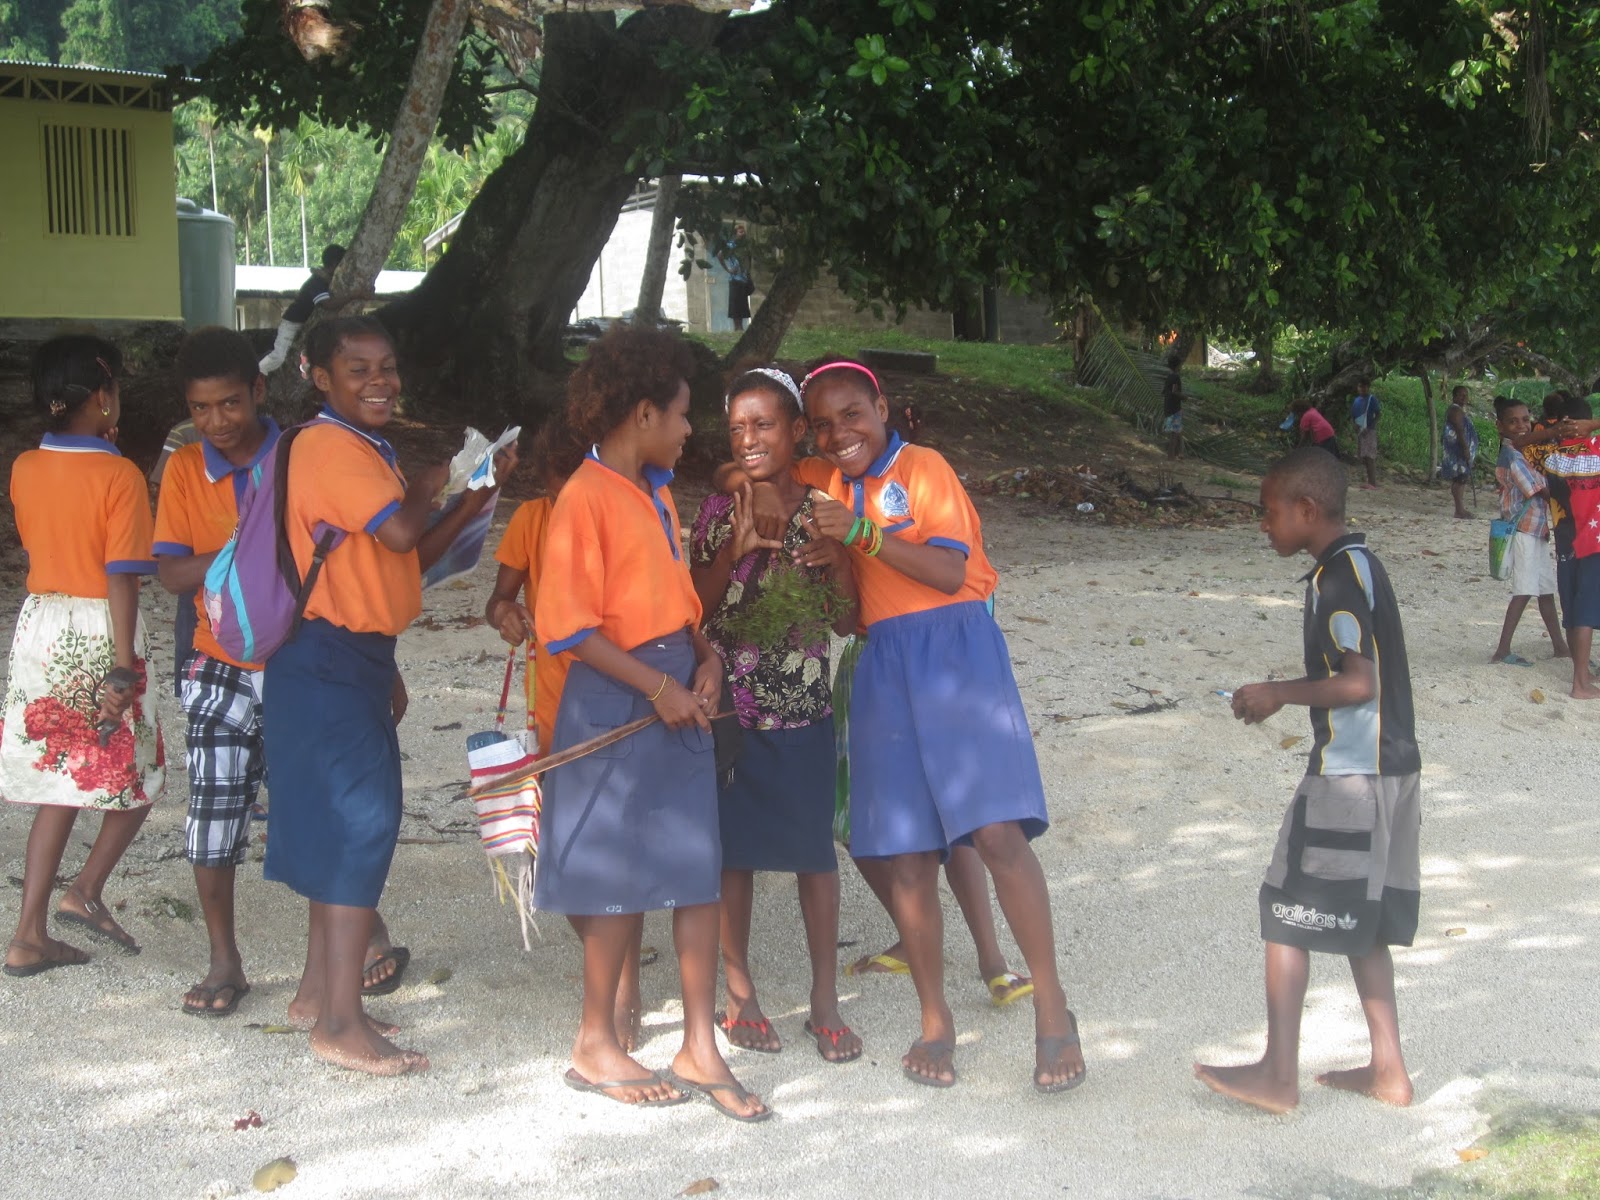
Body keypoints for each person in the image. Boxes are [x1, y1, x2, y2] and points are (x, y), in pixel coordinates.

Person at [792, 357, 1083, 1093]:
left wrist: (858, 531)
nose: (839, 433)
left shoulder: (923, 469)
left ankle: (1054, 1009)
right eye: (823, 424)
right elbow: (852, 613)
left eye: (852, 414)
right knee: (910, 854)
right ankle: (935, 1021)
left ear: (882, 408)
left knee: (994, 834)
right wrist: (831, 559)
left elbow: (951, 575)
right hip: (884, 659)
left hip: (955, 648)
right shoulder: (825, 485)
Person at [263, 315, 510, 1074]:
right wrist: (439, 478)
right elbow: (402, 534)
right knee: (359, 828)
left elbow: (402, 564)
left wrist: (469, 504)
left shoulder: (364, 448)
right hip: (326, 659)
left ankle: (316, 993)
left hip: (351, 655)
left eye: (389, 366)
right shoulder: (328, 447)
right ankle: (340, 1023)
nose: (379, 381)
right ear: (319, 375)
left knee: (338, 827)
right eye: (359, 369)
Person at [534, 325, 768, 1120]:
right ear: (641, 412)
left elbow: (679, 600)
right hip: (617, 700)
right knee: (616, 877)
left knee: (694, 867)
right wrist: (657, 687)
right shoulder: (585, 497)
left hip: (675, 690)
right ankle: (595, 1042)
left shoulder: (656, 488)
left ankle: (700, 1047)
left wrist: (703, 658)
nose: (689, 427)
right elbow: (568, 625)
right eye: (680, 413)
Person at [1195, 448, 1420, 1115]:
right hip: (1394, 769)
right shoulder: (1363, 564)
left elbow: (1358, 682)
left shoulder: (1336, 581)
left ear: (1307, 510)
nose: (1263, 525)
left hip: (1349, 776)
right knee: (1364, 920)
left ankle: (1277, 1074)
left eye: (1270, 512)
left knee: (1286, 907)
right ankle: (1389, 1071)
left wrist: (1276, 694)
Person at [689, 366, 863, 1063]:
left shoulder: (826, 510)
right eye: (737, 429)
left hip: (803, 711)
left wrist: (837, 562)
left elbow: (849, 619)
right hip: (733, 711)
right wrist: (734, 548)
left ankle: (824, 998)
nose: (750, 438)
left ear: (796, 432)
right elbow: (691, 611)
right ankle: (741, 993)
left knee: (814, 856)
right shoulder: (717, 511)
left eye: (763, 425)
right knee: (734, 858)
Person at [2, 335, 165, 975]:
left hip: (40, 628)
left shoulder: (23, 467)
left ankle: (28, 933)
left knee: (59, 781)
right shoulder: (119, 475)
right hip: (101, 631)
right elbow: (121, 576)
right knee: (141, 775)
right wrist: (122, 665)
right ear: (103, 397)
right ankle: (86, 890)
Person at [1488, 397, 1567, 667]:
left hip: (1536, 530)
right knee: (1523, 591)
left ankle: (1560, 647)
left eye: (1525, 419)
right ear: (1500, 426)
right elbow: (1540, 491)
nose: (1521, 425)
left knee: (1545, 590)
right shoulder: (1511, 456)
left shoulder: (1524, 451)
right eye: (1513, 421)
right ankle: (1502, 650)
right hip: (1523, 532)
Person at [1539, 395, 1600, 700]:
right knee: (1588, 608)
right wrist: (1593, 426)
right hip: (1594, 543)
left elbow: (1522, 441)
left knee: (1574, 605)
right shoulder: (1596, 450)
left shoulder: (1551, 455)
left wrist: (1553, 433)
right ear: (1586, 422)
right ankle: (1580, 683)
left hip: (1565, 541)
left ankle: (1583, 671)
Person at [259, 244, 346, 375]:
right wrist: (355, 295)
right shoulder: (317, 282)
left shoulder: (326, 280)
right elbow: (327, 304)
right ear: (335, 264)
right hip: (293, 322)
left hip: (306, 324)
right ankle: (256, 373)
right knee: (279, 356)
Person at [1440, 384, 1479, 519]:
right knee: (1460, 479)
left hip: (1459, 450)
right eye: (1461, 395)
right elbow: (1460, 430)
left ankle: (1460, 508)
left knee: (1460, 478)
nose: (1464, 398)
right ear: (1454, 396)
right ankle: (1459, 510)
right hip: (1458, 451)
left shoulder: (1457, 410)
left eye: (1466, 395)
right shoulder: (1455, 411)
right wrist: (1465, 448)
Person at [715, 224, 754, 332]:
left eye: (744, 232)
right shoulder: (731, 245)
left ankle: (740, 327)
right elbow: (720, 255)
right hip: (735, 279)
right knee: (735, 305)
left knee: (742, 305)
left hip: (744, 279)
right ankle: (737, 328)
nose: (743, 234)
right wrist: (728, 269)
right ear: (735, 234)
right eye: (740, 232)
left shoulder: (745, 246)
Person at [1350, 378, 1381, 489]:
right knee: (1363, 456)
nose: (1361, 389)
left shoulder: (1372, 399)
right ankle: (1369, 481)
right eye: (1360, 386)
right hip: (1360, 430)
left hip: (1369, 431)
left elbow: (1378, 414)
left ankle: (1372, 483)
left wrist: (1370, 425)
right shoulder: (1356, 400)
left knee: (1369, 457)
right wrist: (1354, 425)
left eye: (1364, 387)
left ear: (1368, 387)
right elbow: (1353, 416)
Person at [1161, 351, 1186, 459]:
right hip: (1175, 408)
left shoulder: (1169, 377)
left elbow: (1164, 391)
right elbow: (1175, 391)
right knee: (1174, 433)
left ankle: (1178, 453)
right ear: (1178, 366)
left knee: (1177, 431)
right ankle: (1171, 456)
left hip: (1168, 407)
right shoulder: (1176, 377)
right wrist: (1184, 397)